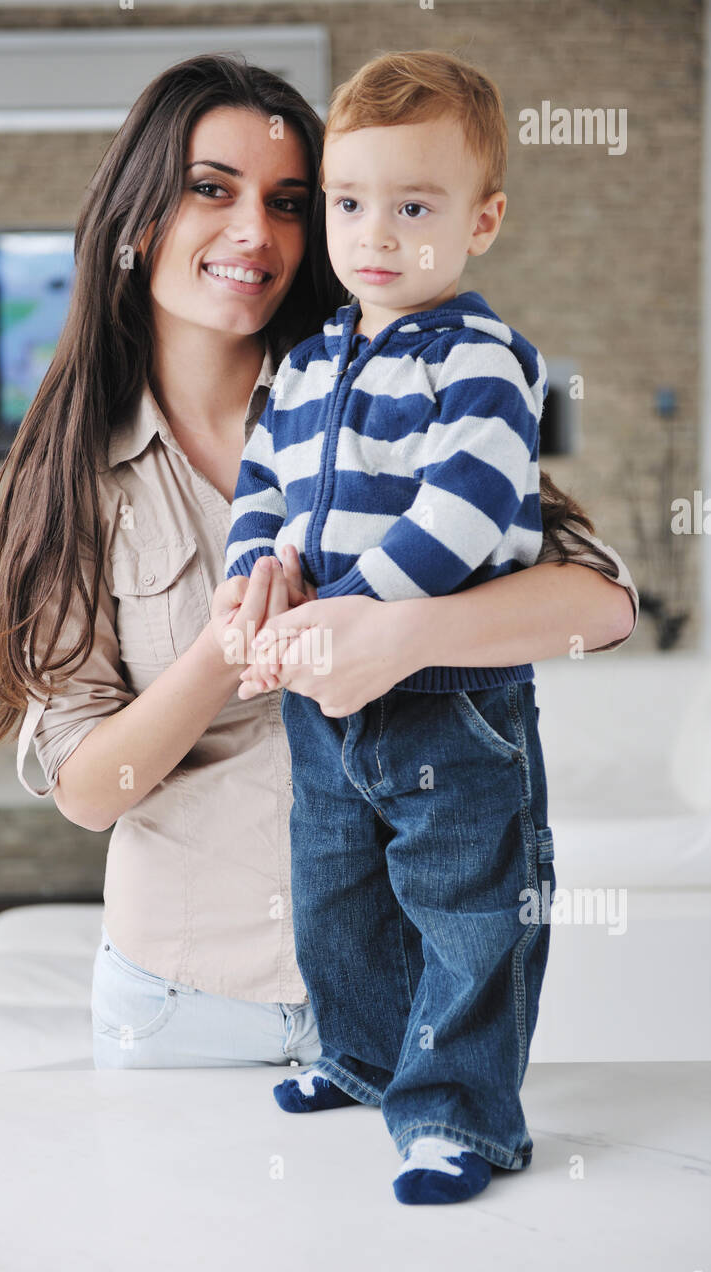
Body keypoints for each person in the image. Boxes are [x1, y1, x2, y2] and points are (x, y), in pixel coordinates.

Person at [0, 54, 637, 1082]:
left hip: (403, 998)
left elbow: (600, 601)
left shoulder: (412, 380)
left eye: (285, 201)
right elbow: (92, 790)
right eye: (209, 189)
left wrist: (395, 633)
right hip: (182, 1003)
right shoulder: (65, 479)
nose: (254, 233)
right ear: (138, 216)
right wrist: (235, 645)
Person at [224, 50, 613, 1204]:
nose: (373, 233)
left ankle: (458, 1113)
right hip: (320, 702)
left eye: (413, 206)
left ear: (480, 221)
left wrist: (357, 609)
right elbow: (262, 482)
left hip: (448, 702)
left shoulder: (482, 360)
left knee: (466, 906)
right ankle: (360, 1052)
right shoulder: (301, 366)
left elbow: (467, 504)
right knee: (333, 888)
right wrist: (257, 568)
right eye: (348, 204)